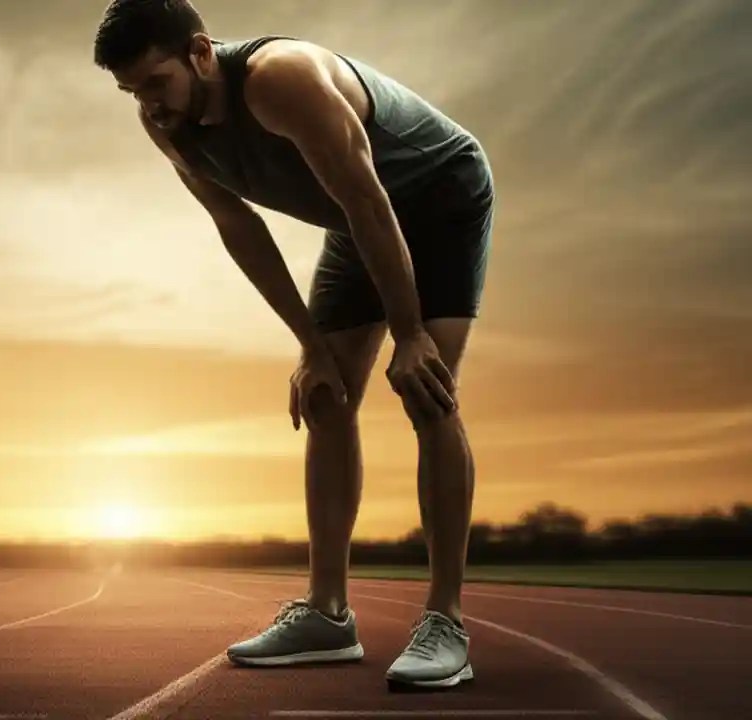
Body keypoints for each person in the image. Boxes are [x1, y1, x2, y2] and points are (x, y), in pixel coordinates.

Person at [93, 0, 495, 690]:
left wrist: (409, 335)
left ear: (200, 53)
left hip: (438, 201)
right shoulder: (165, 123)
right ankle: (328, 615)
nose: (149, 105)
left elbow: (369, 200)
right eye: (132, 92)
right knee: (326, 395)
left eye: (156, 83)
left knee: (426, 391)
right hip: (357, 220)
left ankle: (446, 622)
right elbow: (237, 225)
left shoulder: (283, 78)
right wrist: (310, 345)